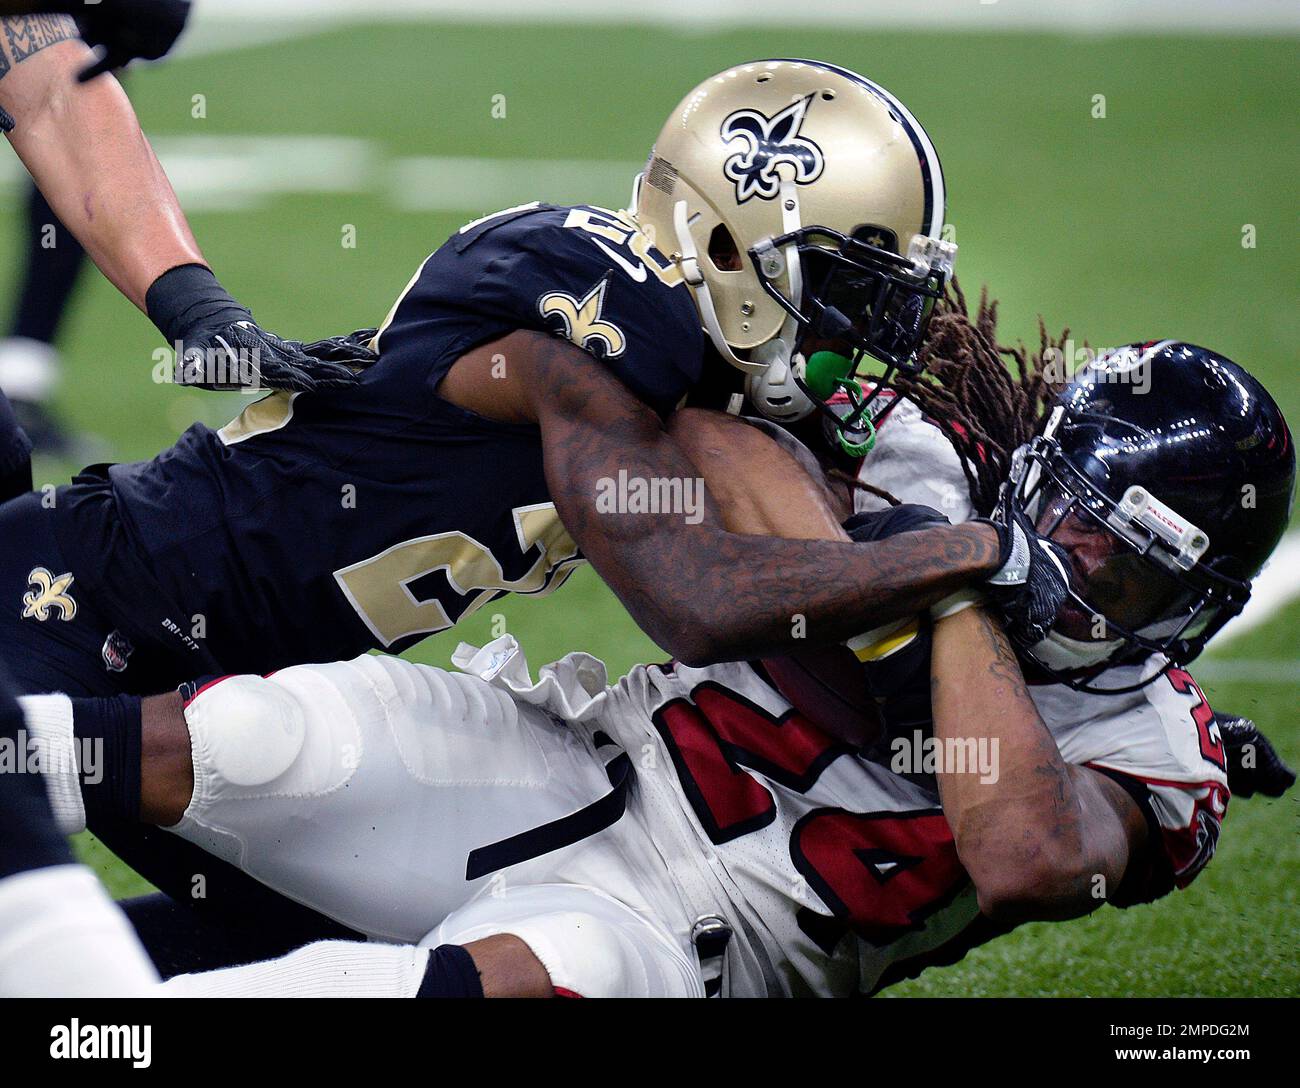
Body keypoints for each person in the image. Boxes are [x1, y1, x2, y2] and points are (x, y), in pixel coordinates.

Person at [15, 320, 1292, 996]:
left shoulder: (1158, 750)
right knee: (256, 738)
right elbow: (715, 430)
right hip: (569, 757)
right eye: (1058, 512)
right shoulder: (933, 471)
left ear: (1192, 598)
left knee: (490, 990)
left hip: (691, 934)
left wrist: (944, 591)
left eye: (1118, 563)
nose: (1067, 562)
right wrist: (929, 558)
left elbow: (1019, 847)